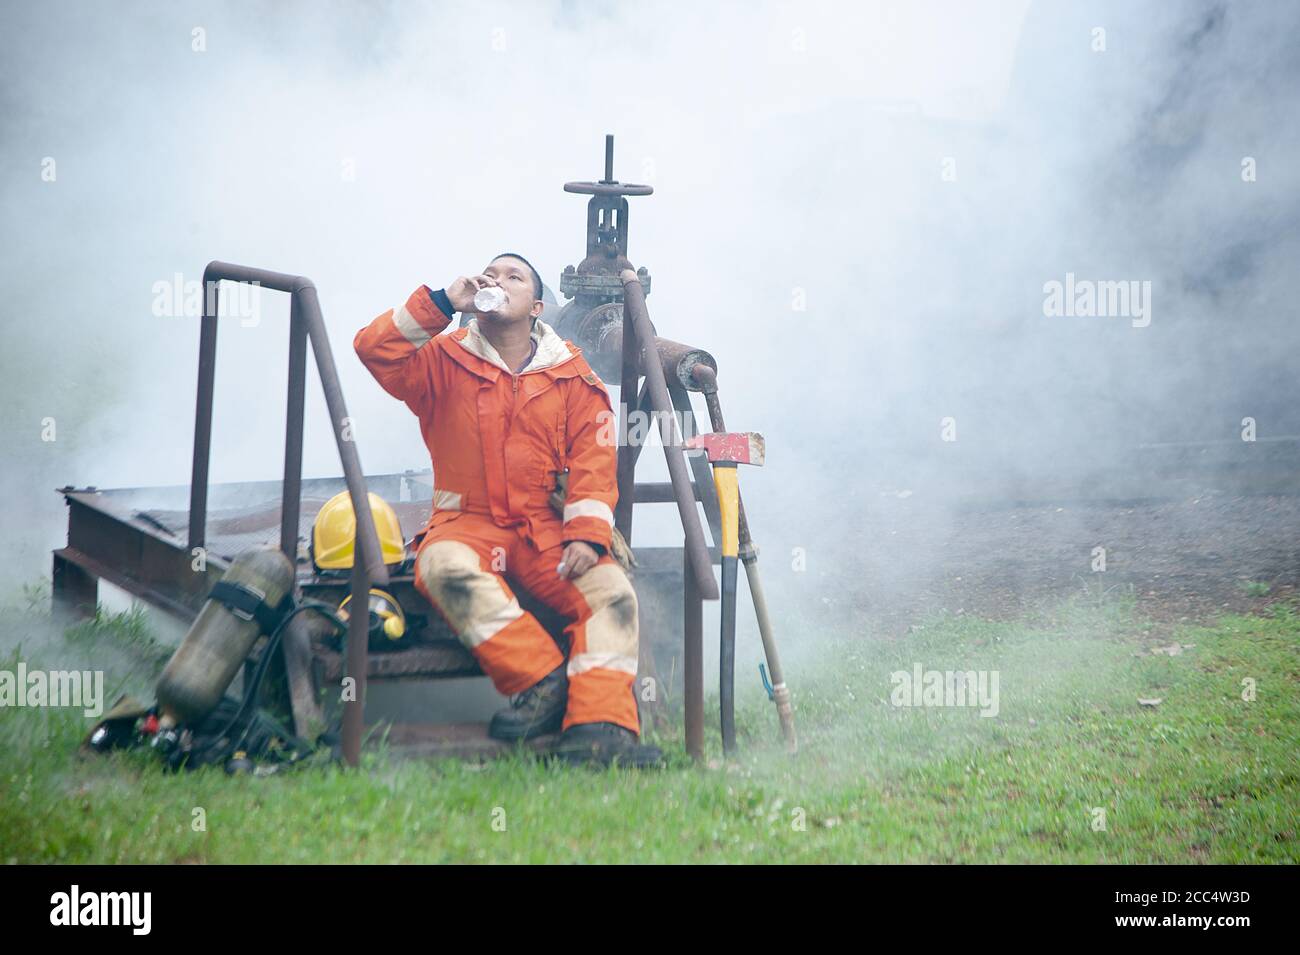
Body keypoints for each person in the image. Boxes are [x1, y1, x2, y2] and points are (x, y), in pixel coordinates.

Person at [354, 253, 660, 767]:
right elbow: (374, 350)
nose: (496, 280)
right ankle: (543, 683)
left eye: (512, 276)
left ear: (537, 306)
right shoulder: (443, 358)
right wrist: (443, 303)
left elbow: (594, 459)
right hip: (465, 523)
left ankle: (598, 731)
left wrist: (586, 535)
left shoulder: (571, 375)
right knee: (442, 567)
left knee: (612, 595)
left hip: (545, 528)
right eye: (490, 274)